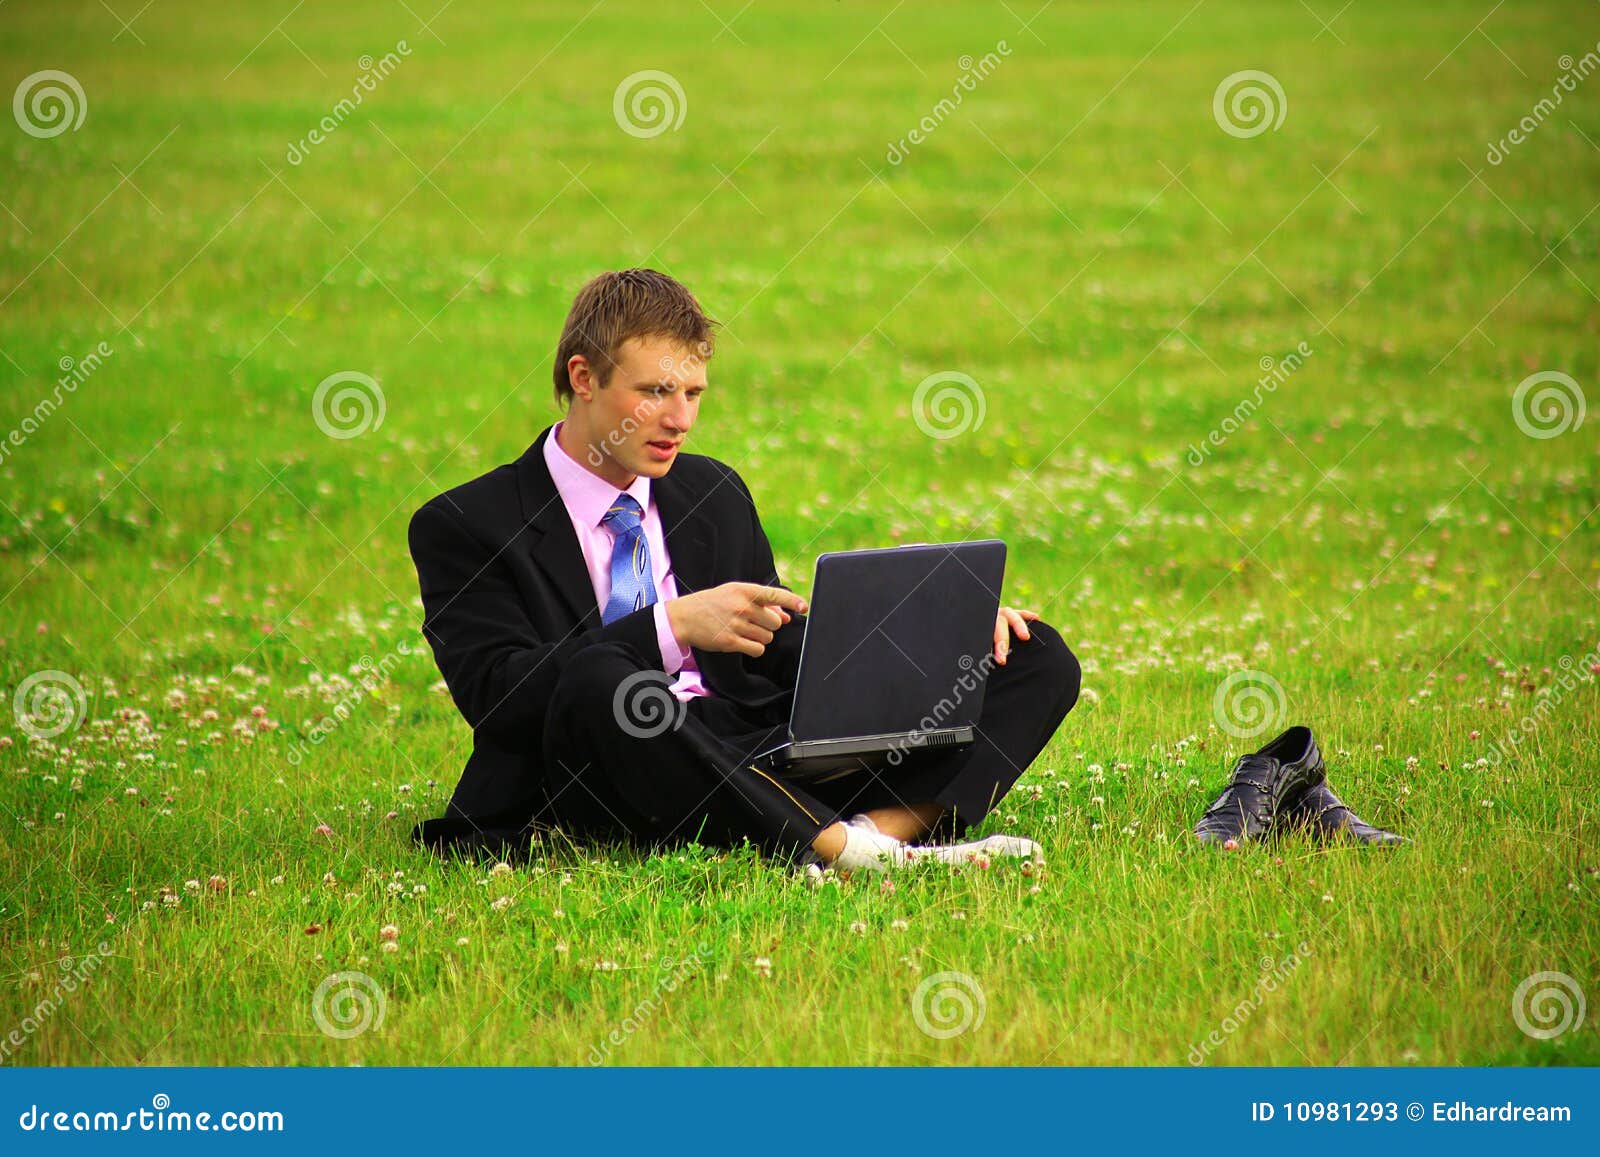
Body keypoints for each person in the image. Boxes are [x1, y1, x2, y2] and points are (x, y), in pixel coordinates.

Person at [407, 268, 1082, 871]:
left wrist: (938, 638)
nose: (680, 419)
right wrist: (670, 626)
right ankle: (837, 848)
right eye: (655, 391)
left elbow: (779, 644)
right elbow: (499, 700)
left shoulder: (711, 490)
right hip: (602, 773)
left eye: (693, 392)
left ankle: (876, 840)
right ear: (583, 378)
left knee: (1032, 653)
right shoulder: (465, 523)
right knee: (601, 678)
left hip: (752, 757)